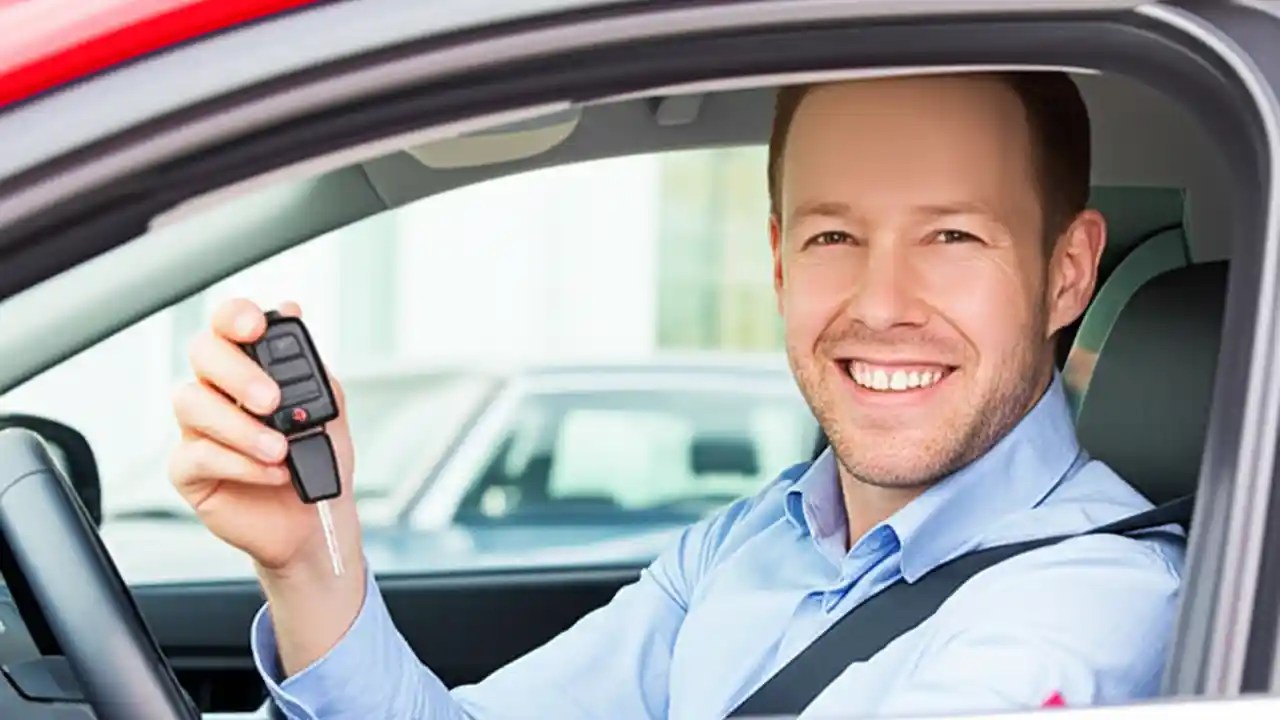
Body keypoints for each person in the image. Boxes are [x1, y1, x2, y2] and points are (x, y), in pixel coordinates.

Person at [169, 71, 1185, 719]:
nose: (881, 304)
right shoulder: (754, 540)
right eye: (832, 236)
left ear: (1064, 273)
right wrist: (309, 555)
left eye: (951, 236)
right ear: (780, 266)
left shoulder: (1096, 604)